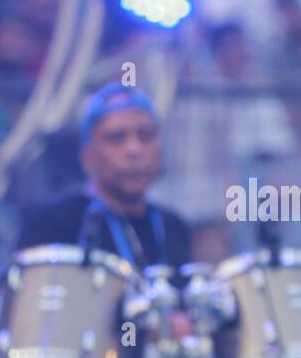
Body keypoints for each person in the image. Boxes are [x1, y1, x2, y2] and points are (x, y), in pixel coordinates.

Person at [16, 83, 192, 271]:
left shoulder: (172, 228)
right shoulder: (53, 223)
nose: (135, 150)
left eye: (146, 136)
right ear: (88, 157)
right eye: (117, 138)